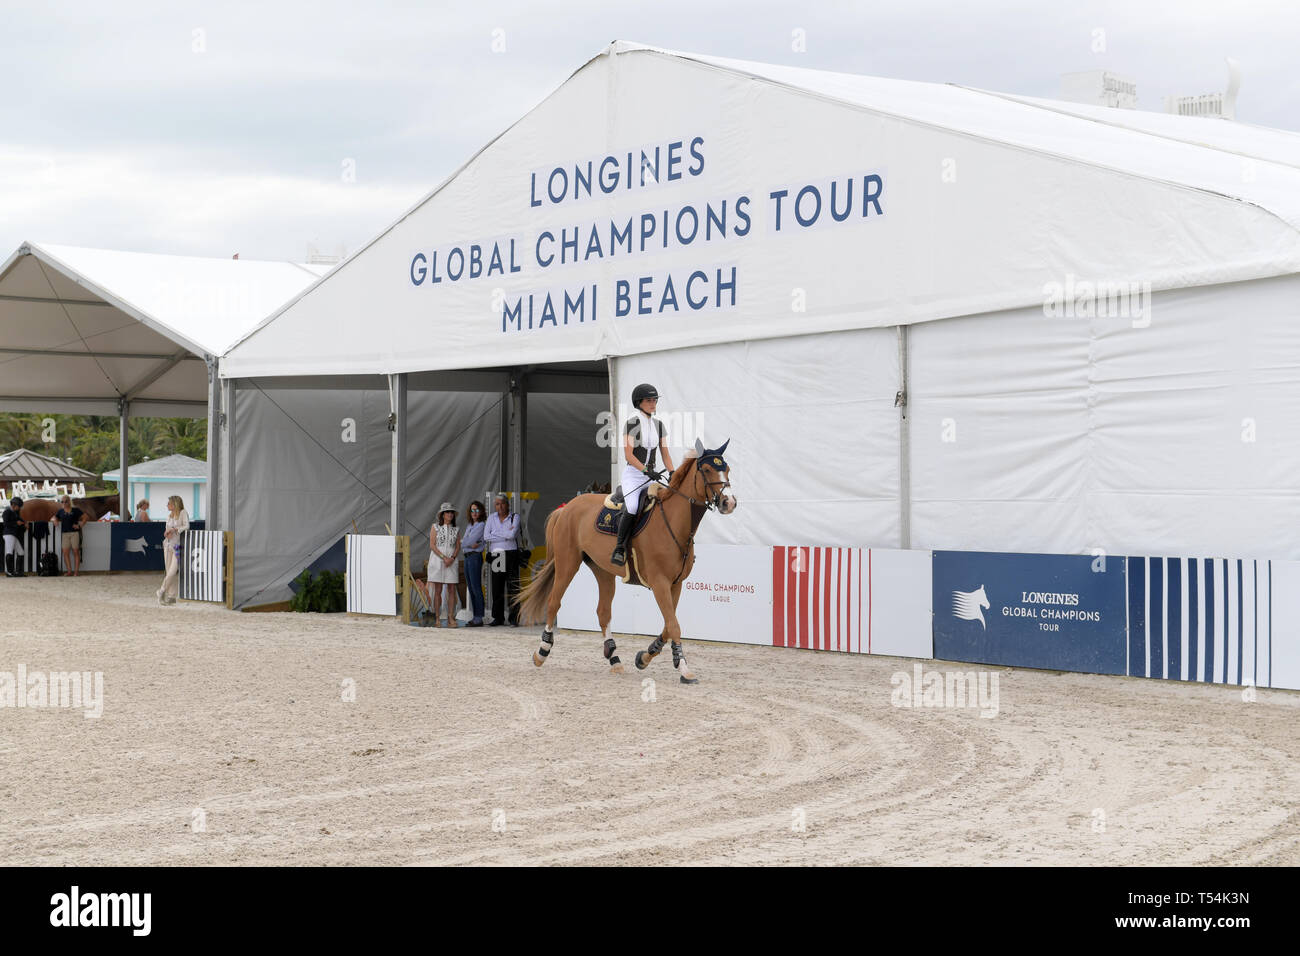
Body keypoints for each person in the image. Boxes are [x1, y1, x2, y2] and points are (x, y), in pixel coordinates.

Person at [612, 383, 675, 566]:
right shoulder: (632, 423)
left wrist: (672, 472)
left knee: (665, 503)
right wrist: (645, 470)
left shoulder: (659, 425)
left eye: (655, 400)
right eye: (649, 400)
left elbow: (665, 453)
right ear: (639, 402)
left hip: (652, 476)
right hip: (634, 475)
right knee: (632, 507)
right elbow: (628, 455)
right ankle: (619, 548)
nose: (653, 403)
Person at [484, 493, 521, 626]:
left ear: (508, 504)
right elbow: (486, 536)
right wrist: (504, 536)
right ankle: (498, 617)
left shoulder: (515, 517)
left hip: (511, 554)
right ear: (495, 506)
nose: (500, 506)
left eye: (502, 503)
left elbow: (512, 536)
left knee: (513, 587)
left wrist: (496, 534)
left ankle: (514, 618)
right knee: (497, 587)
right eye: (497, 504)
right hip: (496, 554)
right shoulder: (491, 518)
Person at [427, 502, 461, 627]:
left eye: (452, 512)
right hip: (437, 560)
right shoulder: (435, 527)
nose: (450, 514)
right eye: (447, 512)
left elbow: (458, 546)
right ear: (442, 514)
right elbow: (432, 545)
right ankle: (437, 618)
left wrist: (451, 558)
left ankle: (450, 617)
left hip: (451, 561)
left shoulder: (456, 529)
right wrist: (444, 557)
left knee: (452, 589)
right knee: (438, 590)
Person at [158, 495, 189, 605]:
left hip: (178, 546)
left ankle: (161, 591)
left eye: (169, 503)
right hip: (167, 545)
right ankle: (171, 596)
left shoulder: (183, 513)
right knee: (168, 571)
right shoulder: (169, 516)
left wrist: (175, 529)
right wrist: (167, 533)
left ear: (174, 504)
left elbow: (186, 526)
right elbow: (167, 530)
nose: (167, 505)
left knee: (172, 571)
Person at [461, 500, 488, 626]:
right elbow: (466, 543)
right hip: (467, 556)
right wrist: (466, 543)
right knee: (471, 587)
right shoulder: (470, 525)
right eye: (472, 510)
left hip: (474, 557)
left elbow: (467, 541)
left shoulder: (481, 525)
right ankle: (475, 615)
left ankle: (479, 616)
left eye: (477, 510)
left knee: (476, 587)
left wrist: (465, 542)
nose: (474, 512)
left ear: (481, 511)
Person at [54, 495, 88, 576]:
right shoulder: (60, 511)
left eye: (66, 501)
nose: (64, 503)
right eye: (62, 502)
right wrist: (54, 520)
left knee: (76, 551)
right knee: (65, 552)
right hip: (65, 534)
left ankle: (76, 572)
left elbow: (85, 517)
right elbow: (54, 517)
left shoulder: (76, 510)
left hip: (74, 533)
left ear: (69, 501)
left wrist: (80, 525)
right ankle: (69, 571)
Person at [2, 497, 26, 577]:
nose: (19, 508)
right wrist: (16, 523)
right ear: (14, 505)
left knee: (21, 552)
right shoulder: (7, 512)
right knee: (9, 552)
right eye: (18, 506)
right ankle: (9, 572)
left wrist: (24, 523)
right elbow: (5, 524)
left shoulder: (14, 512)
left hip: (12, 534)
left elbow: (20, 519)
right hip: (8, 534)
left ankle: (18, 572)